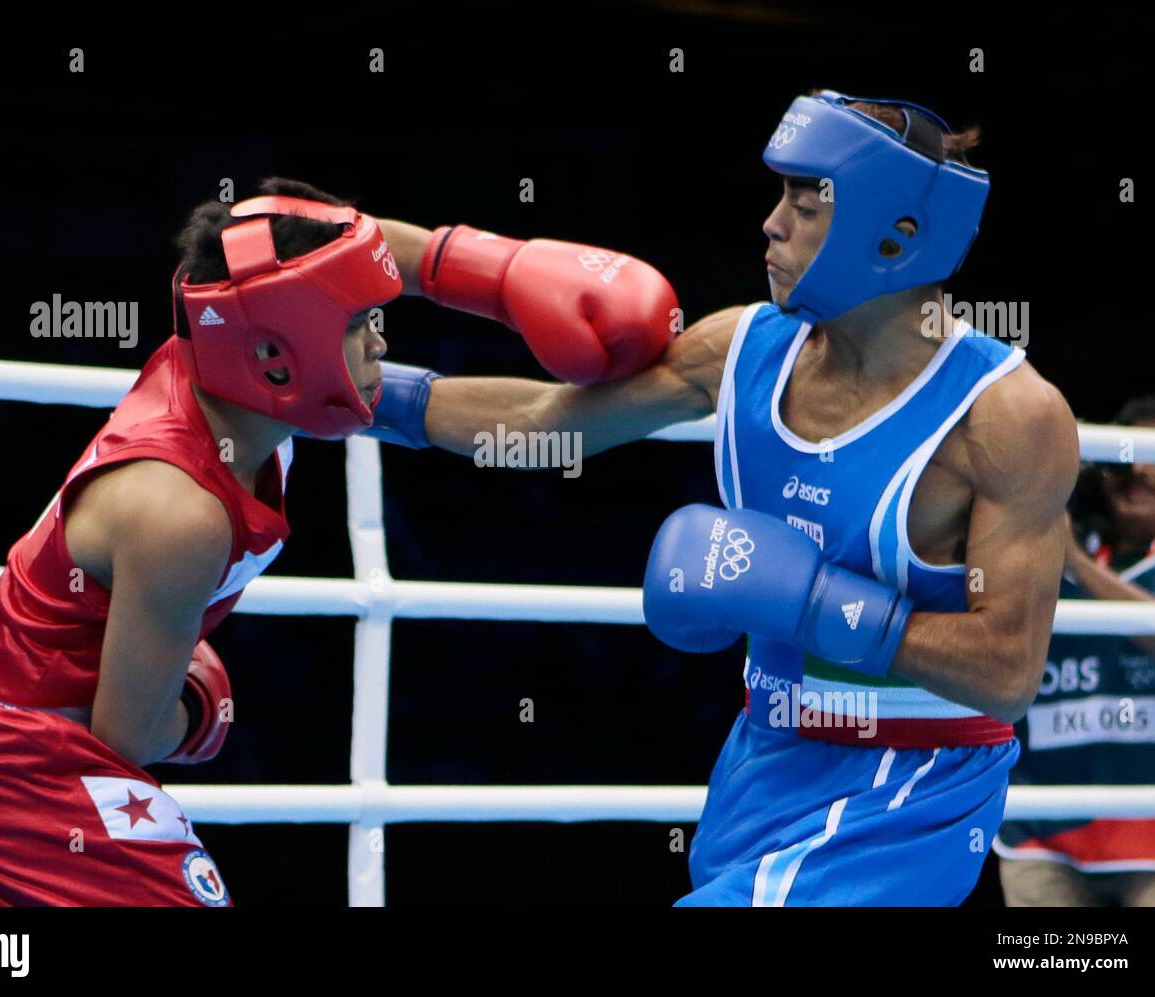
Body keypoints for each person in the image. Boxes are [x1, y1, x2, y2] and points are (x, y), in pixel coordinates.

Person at [369, 91, 1081, 905]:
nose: (772, 224)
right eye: (779, 195)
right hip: (761, 761)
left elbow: (1009, 673)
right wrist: (363, 394)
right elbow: (542, 425)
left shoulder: (1004, 415)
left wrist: (818, 602)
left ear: (895, 234)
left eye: (805, 205)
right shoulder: (742, 348)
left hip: (912, 783)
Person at [0, 176, 677, 906]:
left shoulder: (250, 383)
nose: (381, 340)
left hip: (15, 753)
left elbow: (518, 420)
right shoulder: (180, 509)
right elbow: (129, 733)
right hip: (16, 770)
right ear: (281, 349)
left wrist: (496, 273)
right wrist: (203, 705)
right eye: (356, 323)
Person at [997, 392, 1155, 906]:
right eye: (1122, 457)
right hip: (1041, 830)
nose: (1135, 469)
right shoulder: (1047, 547)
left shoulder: (1073, 559)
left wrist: (1077, 565)